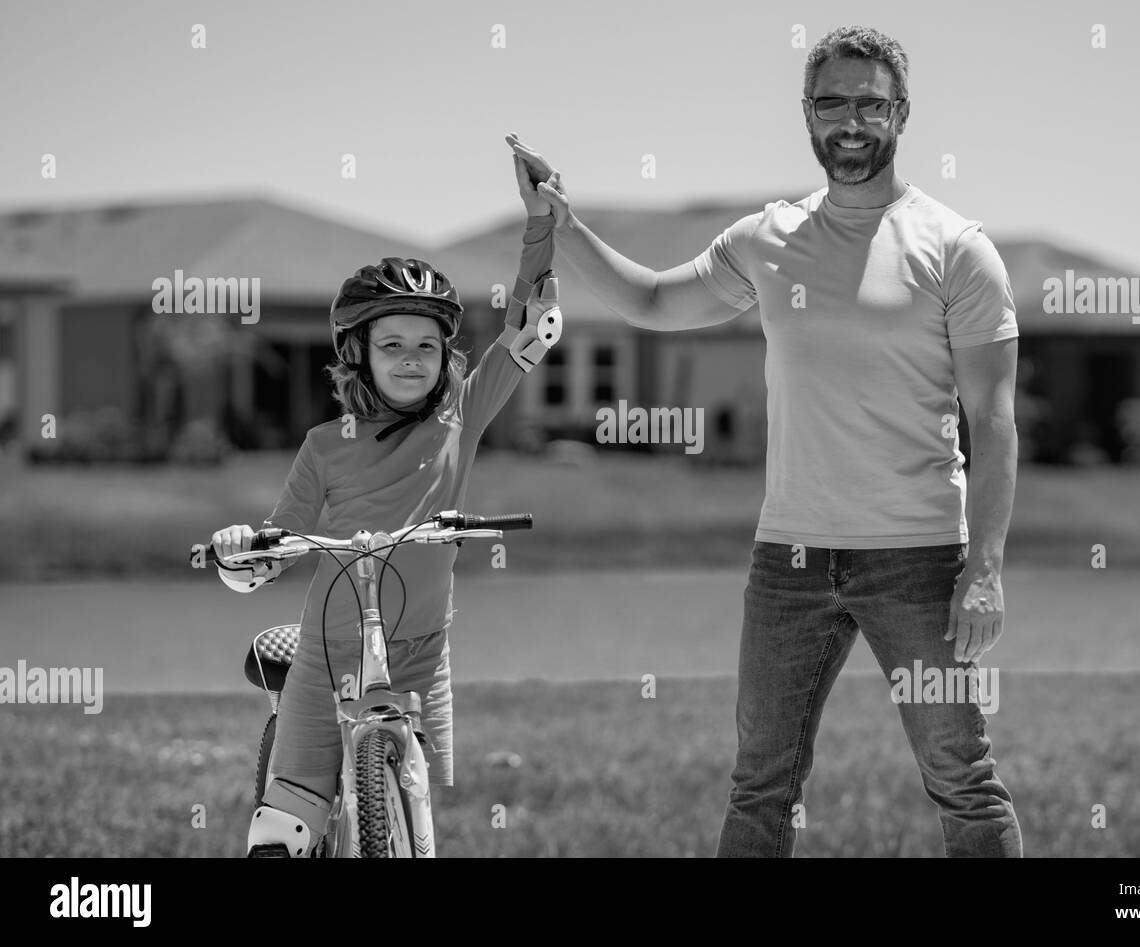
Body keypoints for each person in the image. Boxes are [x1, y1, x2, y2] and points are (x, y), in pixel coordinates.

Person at [507, 24, 1022, 857]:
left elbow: (993, 421)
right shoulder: (768, 240)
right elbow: (650, 302)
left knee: (962, 776)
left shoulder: (957, 250)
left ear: (902, 113)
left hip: (919, 558)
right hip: (789, 561)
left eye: (869, 103)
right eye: (832, 103)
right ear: (807, 114)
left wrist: (986, 569)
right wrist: (560, 223)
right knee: (760, 788)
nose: (850, 121)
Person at [211, 204, 562, 857]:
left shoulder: (463, 412)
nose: (411, 360)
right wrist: (243, 550)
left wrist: (540, 223)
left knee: (417, 811)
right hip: (327, 650)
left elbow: (532, 326)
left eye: (427, 345)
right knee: (282, 826)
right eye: (392, 345)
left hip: (420, 651)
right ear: (357, 353)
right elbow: (276, 543)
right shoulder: (324, 446)